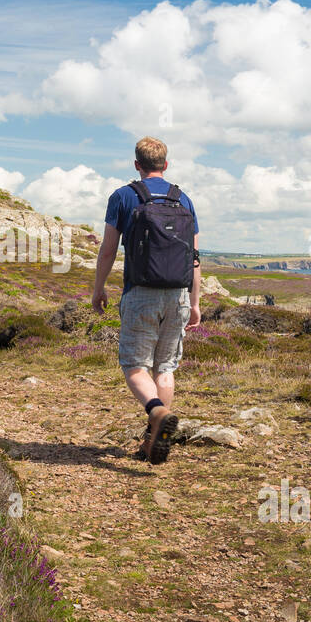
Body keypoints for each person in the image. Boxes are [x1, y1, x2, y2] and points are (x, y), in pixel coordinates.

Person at [91, 137, 201, 464]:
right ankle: (153, 439)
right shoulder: (185, 200)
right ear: (165, 165)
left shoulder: (124, 196)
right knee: (164, 368)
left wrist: (98, 288)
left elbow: (109, 248)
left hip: (141, 294)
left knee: (135, 367)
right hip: (178, 295)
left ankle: (156, 414)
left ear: (137, 165)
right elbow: (194, 257)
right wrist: (195, 303)